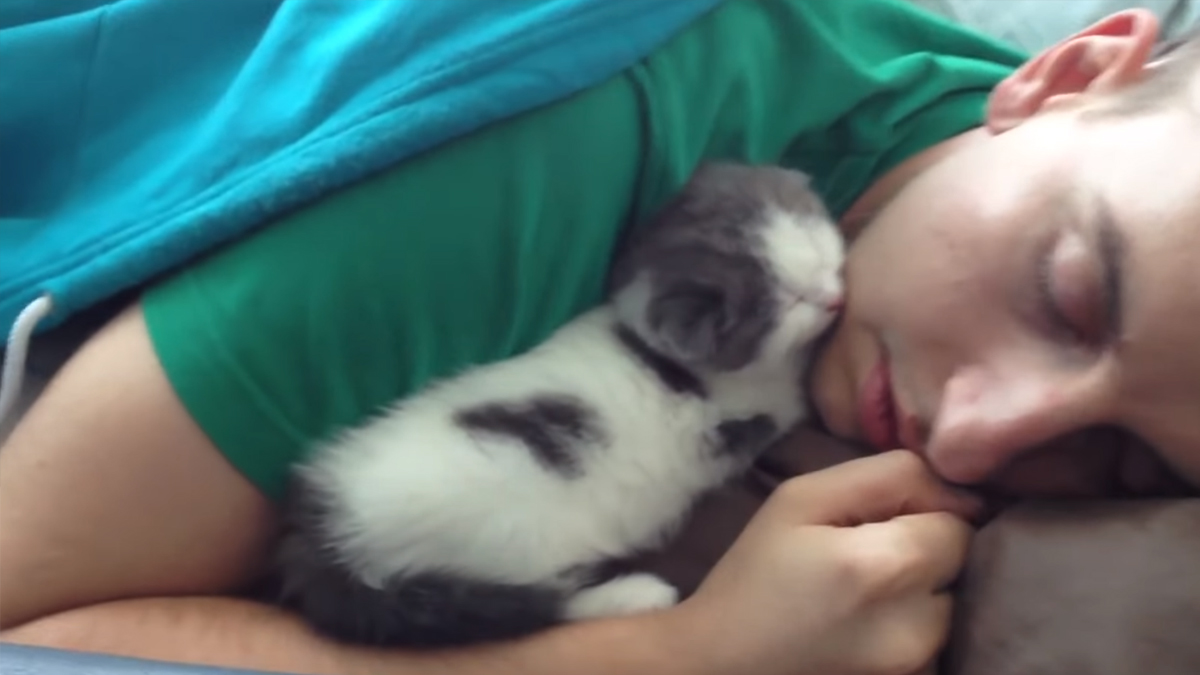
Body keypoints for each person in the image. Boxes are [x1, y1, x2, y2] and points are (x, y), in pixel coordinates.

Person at [2, 0, 1198, 673]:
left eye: (1127, 466)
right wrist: (689, 659)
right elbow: (27, 621)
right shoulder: (541, 158)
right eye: (1070, 296)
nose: (985, 440)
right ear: (1068, 71)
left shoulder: (1048, 156)